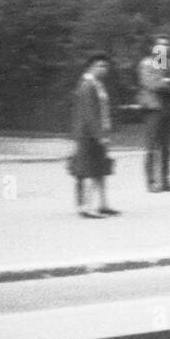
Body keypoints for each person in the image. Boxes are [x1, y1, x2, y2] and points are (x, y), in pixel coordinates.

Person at [69, 52, 119, 218]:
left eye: (106, 66)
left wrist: (105, 131)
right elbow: (90, 114)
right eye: (100, 66)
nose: (104, 69)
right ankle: (87, 207)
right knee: (90, 170)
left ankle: (103, 204)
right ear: (91, 67)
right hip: (89, 134)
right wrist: (99, 135)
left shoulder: (97, 84)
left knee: (101, 169)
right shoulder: (87, 86)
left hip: (97, 132)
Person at [136, 33, 170, 192]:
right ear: (154, 47)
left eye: (166, 44)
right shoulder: (147, 63)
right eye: (160, 44)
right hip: (153, 108)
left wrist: (169, 81)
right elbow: (152, 84)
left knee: (167, 146)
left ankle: (165, 180)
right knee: (152, 146)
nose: (164, 47)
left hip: (168, 108)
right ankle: (151, 181)